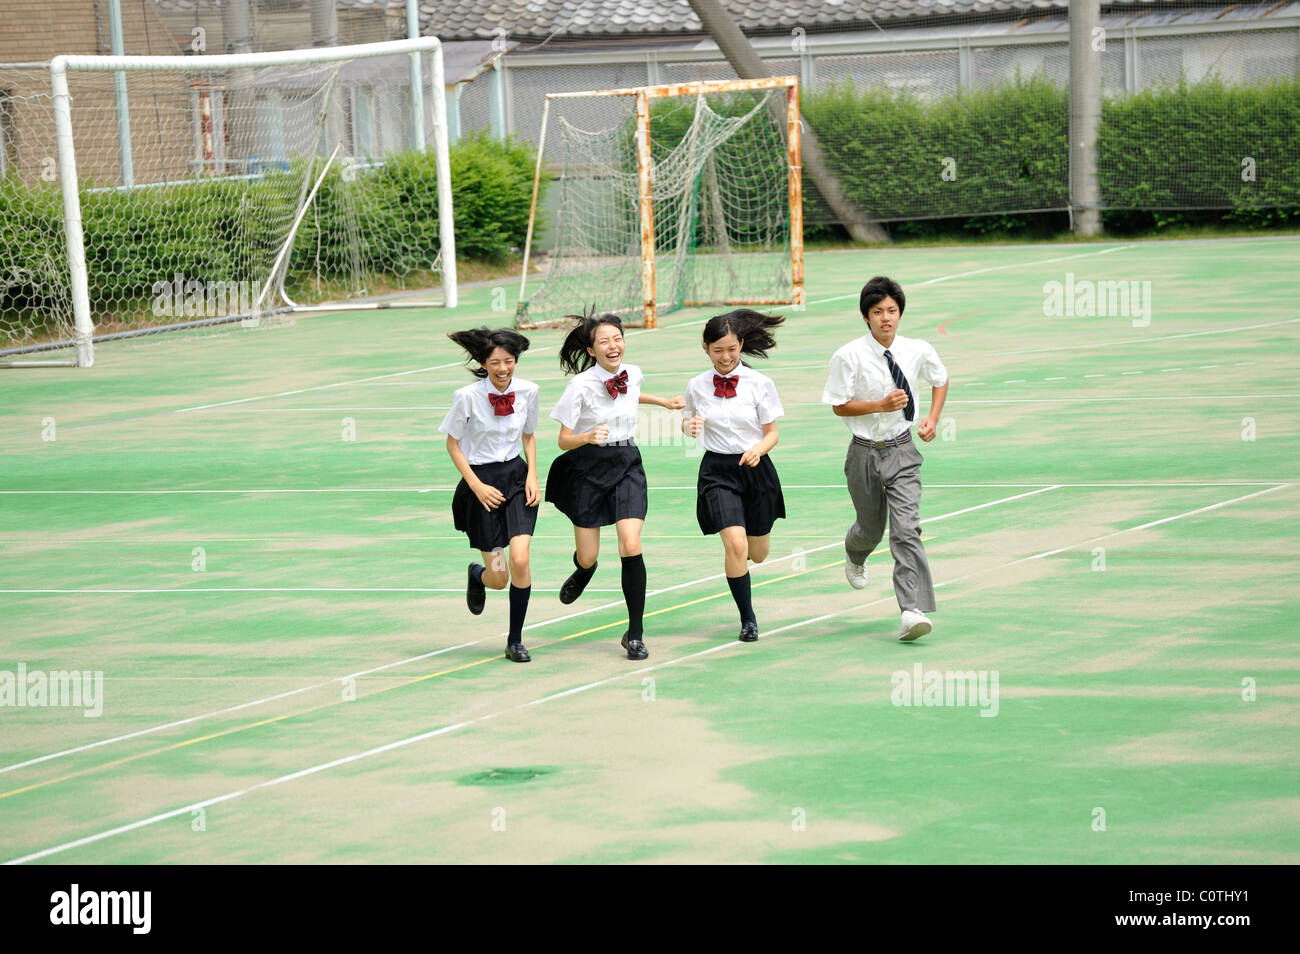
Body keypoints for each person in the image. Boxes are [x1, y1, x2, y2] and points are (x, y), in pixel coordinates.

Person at [545, 311, 685, 660]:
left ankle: (634, 633)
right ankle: (584, 569)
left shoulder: (632, 373)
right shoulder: (578, 386)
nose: (613, 345)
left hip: (626, 464)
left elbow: (631, 394)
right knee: (590, 554)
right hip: (587, 468)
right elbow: (563, 440)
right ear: (591, 350)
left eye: (617, 338)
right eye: (604, 341)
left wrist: (664, 402)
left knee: (631, 543)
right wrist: (587, 436)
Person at [822, 276, 949, 641]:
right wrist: (880, 405)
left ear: (900, 313)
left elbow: (940, 379)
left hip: (902, 450)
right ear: (866, 316)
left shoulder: (917, 349)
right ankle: (855, 551)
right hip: (862, 452)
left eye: (891, 311)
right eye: (877, 312)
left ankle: (912, 610)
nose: (885, 318)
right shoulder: (848, 355)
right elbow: (838, 405)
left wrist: (933, 418)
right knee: (870, 529)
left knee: (907, 529)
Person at [682, 309, 786, 643]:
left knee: (757, 552)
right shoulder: (696, 386)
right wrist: (689, 426)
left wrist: (759, 449)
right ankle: (748, 619)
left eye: (731, 349)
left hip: (755, 468)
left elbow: (772, 433)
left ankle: (750, 568)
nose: (725, 357)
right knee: (735, 544)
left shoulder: (760, 384)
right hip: (717, 471)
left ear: (741, 345)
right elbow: (687, 422)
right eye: (718, 350)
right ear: (705, 348)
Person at [440, 327, 541, 663]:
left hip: (516, 480)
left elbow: (529, 436)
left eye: (509, 361)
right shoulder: (466, 397)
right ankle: (477, 575)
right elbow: (452, 445)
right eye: (495, 362)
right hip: (482, 485)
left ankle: (515, 640)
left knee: (521, 558)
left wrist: (533, 475)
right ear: (484, 363)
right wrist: (476, 486)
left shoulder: (529, 391)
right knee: (499, 577)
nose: (503, 368)